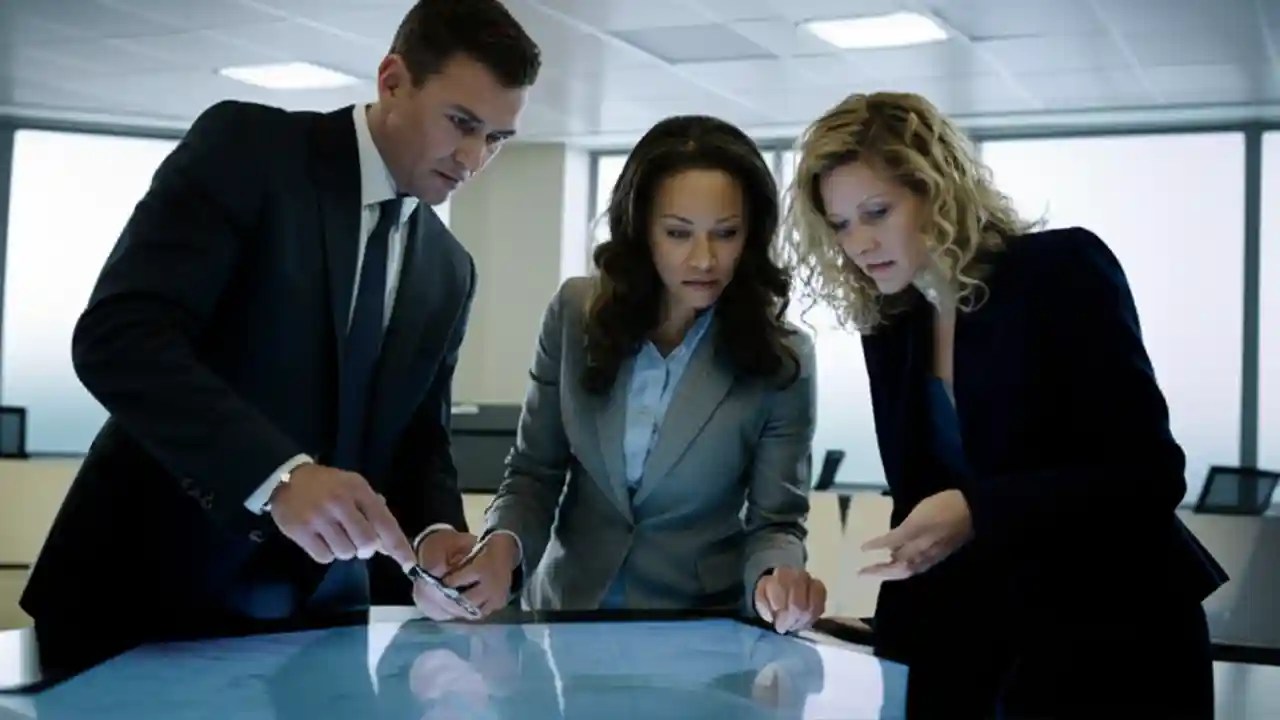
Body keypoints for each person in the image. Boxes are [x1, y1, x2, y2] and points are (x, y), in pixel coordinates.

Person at [20, 0, 542, 645]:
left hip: (322, 622)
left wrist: (435, 535)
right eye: (460, 122)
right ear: (392, 80)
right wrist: (279, 476)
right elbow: (121, 338)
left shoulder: (449, 269)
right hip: (146, 594)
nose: (472, 157)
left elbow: (418, 441)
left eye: (495, 138)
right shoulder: (252, 150)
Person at [779, 91, 1228, 717]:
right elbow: (922, 501)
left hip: (1114, 632)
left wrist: (977, 509)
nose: (859, 242)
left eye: (877, 212)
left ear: (937, 193)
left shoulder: (1059, 270)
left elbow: (1149, 475)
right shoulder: (892, 321)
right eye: (841, 223)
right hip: (982, 641)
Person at [440, 115, 827, 632]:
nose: (704, 259)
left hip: (698, 625)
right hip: (569, 613)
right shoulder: (575, 313)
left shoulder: (782, 357)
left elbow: (775, 522)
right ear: (642, 229)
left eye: (726, 234)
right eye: (678, 233)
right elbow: (535, 472)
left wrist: (777, 581)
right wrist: (499, 548)